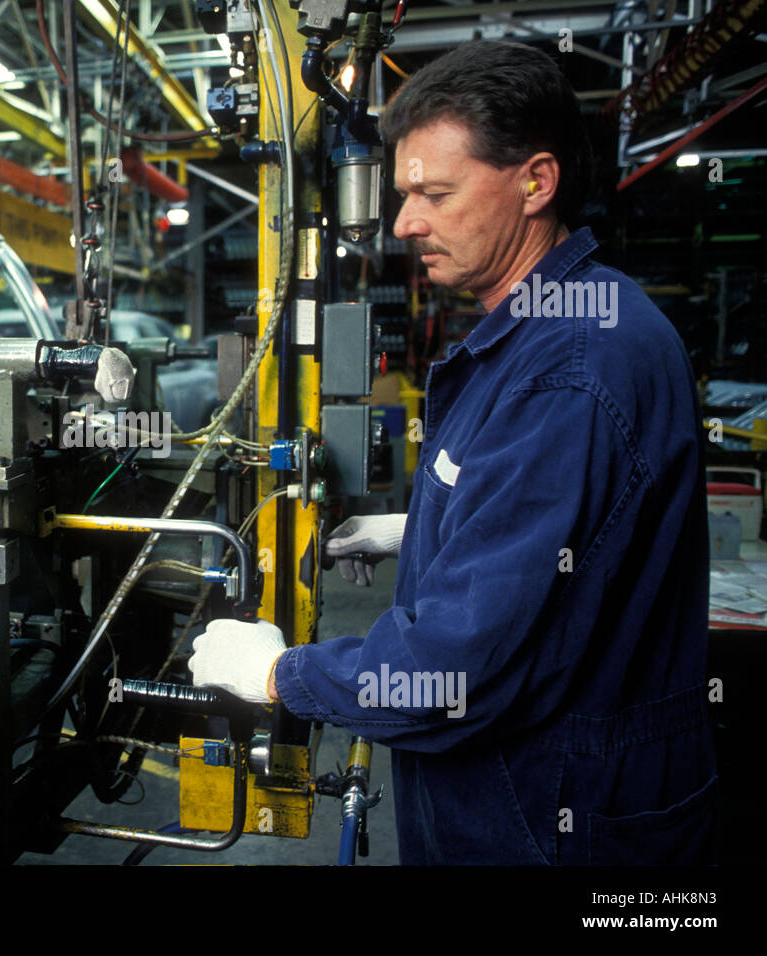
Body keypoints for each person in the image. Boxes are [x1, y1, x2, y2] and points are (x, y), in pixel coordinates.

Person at [189, 39, 719, 865]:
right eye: (403, 195)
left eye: (433, 193)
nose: (404, 223)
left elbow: (453, 676)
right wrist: (420, 523)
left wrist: (280, 675)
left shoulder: (572, 367)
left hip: (548, 820)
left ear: (536, 182)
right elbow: (554, 518)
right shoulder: (558, 326)